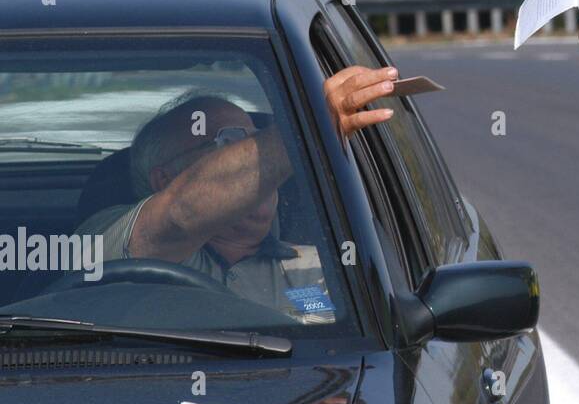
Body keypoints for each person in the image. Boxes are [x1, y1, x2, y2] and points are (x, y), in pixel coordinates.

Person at [75, 66, 398, 323]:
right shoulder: (109, 238)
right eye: (229, 142)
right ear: (165, 179)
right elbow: (180, 212)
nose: (257, 158)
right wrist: (307, 128)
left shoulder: (326, 268)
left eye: (257, 139)